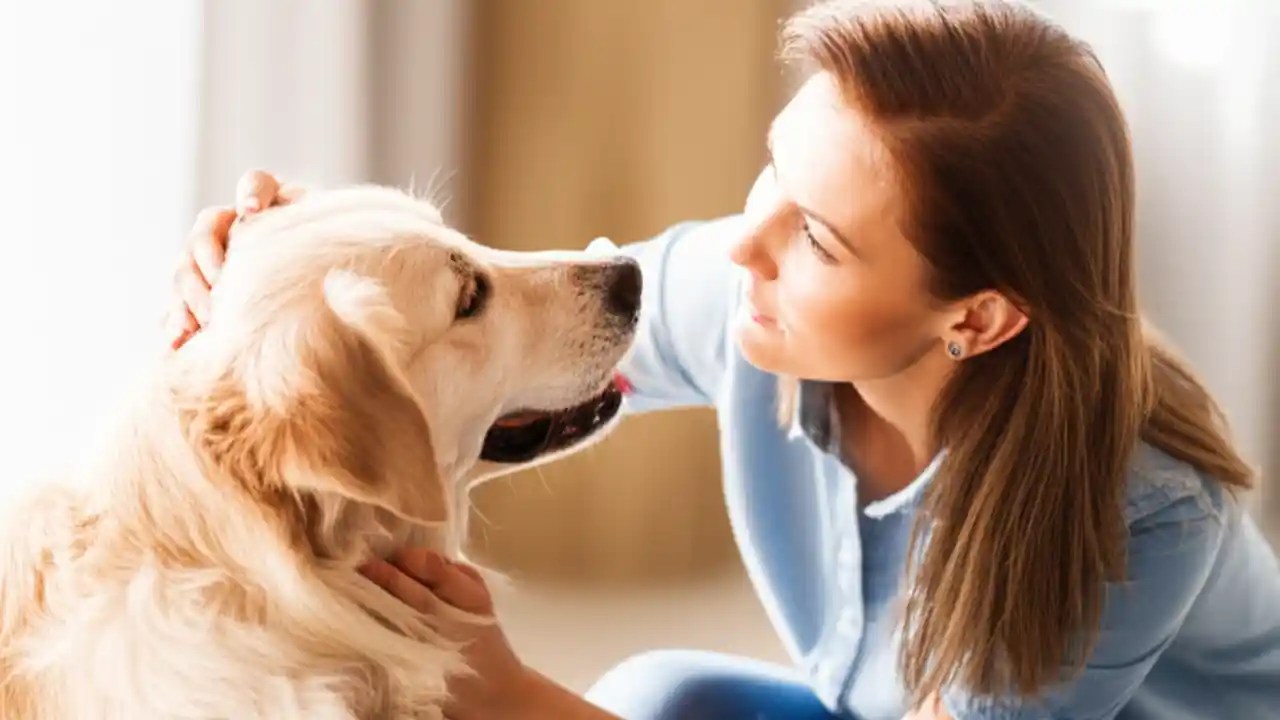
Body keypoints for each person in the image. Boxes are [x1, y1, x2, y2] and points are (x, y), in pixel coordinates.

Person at [169, 1, 1280, 718]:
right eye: (772, 174)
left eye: (818, 236)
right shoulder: (763, 297)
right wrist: (290, 277)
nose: (741, 244)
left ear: (976, 320)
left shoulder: (1126, 516)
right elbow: (519, 329)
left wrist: (511, 697)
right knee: (663, 694)